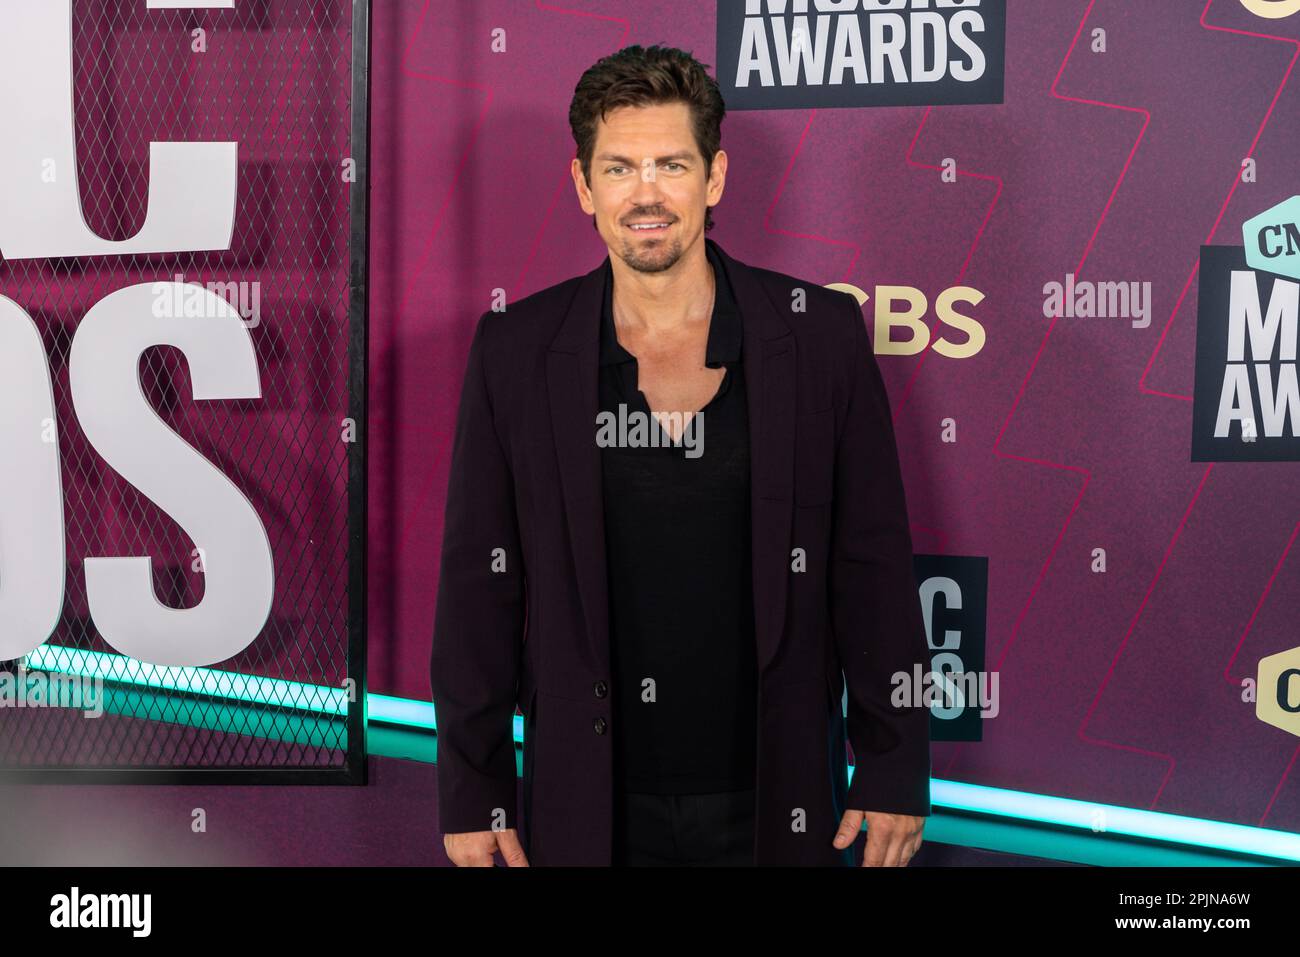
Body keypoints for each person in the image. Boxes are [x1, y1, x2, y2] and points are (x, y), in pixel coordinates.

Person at [430, 44, 931, 867]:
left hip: (776, 803)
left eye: (671, 163)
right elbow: (479, 591)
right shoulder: (515, 349)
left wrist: (894, 764)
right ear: (585, 185)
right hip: (586, 807)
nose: (647, 194)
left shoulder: (820, 335)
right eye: (620, 167)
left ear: (716, 177)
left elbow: (872, 566)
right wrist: (473, 784)